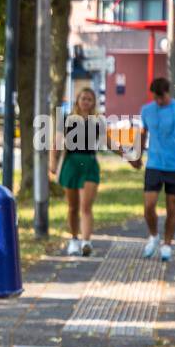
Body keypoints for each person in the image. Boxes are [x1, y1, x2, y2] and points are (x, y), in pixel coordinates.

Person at [50, 86, 117, 257]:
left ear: (93, 102)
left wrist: (128, 155)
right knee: (73, 207)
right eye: (83, 98)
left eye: (89, 99)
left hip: (89, 164)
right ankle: (74, 240)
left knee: (86, 206)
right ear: (77, 100)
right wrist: (53, 162)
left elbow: (108, 142)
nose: (86, 101)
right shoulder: (66, 119)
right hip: (71, 163)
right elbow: (56, 143)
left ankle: (86, 242)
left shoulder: (97, 121)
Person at [138, 77, 175, 261]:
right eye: (156, 97)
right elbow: (143, 134)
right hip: (154, 164)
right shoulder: (147, 110)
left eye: (163, 97)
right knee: (149, 206)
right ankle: (153, 236)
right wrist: (137, 156)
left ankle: (167, 244)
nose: (159, 101)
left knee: (172, 207)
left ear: (169, 92)